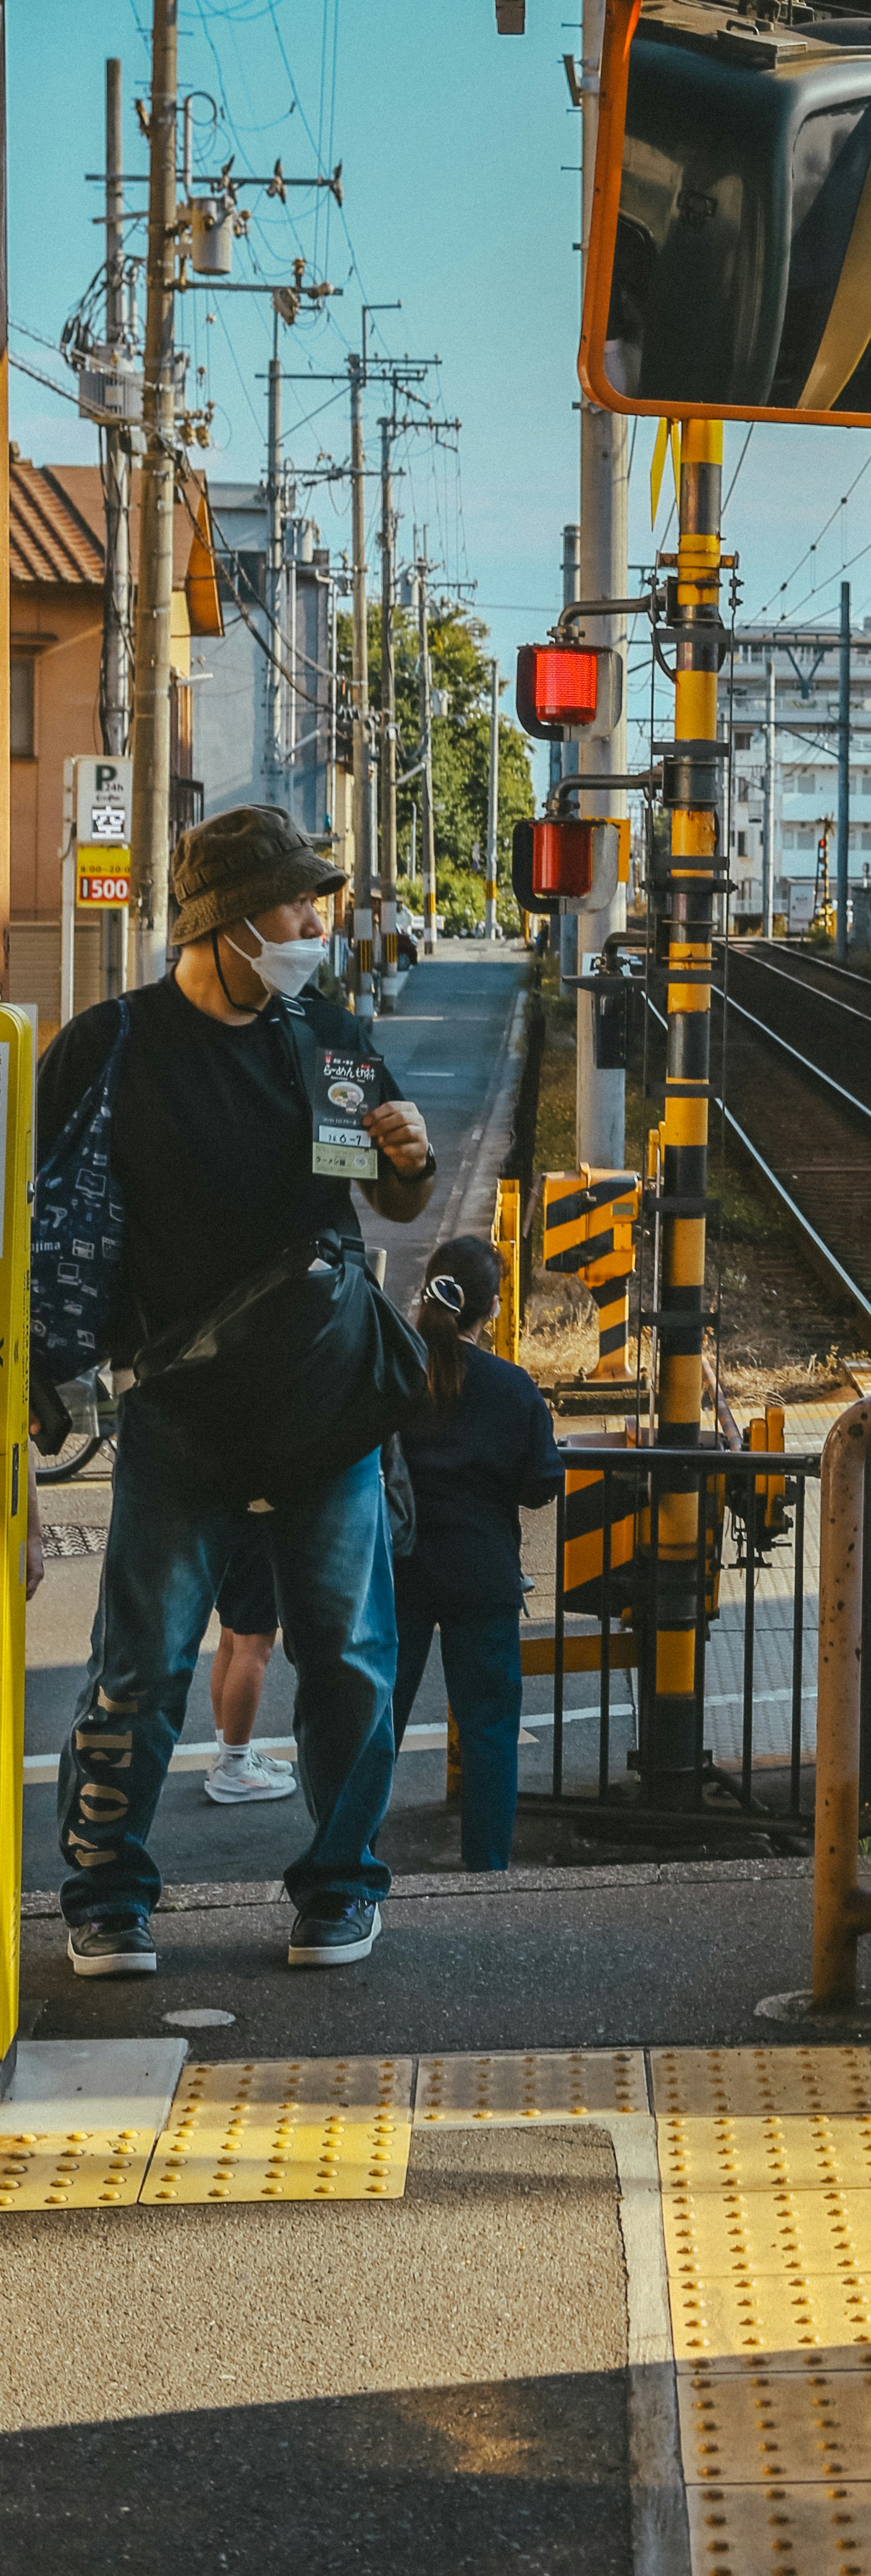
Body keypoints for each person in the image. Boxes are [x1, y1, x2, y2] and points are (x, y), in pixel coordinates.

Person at [44, 803, 437, 1977]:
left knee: (354, 1658)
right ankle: (107, 1894)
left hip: (326, 1403)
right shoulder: (111, 1043)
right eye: (295, 901)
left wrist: (410, 1160)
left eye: (317, 898)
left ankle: (339, 1886)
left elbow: (392, 1199)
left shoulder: (330, 1037)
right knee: (140, 1664)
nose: (316, 920)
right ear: (223, 919)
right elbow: (39, 1212)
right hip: (178, 1410)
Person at [390, 1236, 563, 1874]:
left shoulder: (395, 1371)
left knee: (380, 1719)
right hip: (482, 1571)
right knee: (489, 1728)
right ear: (490, 1307)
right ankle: (486, 1867)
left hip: (400, 1567)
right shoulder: (511, 1386)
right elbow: (542, 1483)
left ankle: (352, 1857)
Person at [202, 1517, 296, 1806]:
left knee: (232, 1635)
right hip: (256, 1519)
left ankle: (230, 1753)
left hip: (227, 1518)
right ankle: (234, 1769)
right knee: (255, 1644)